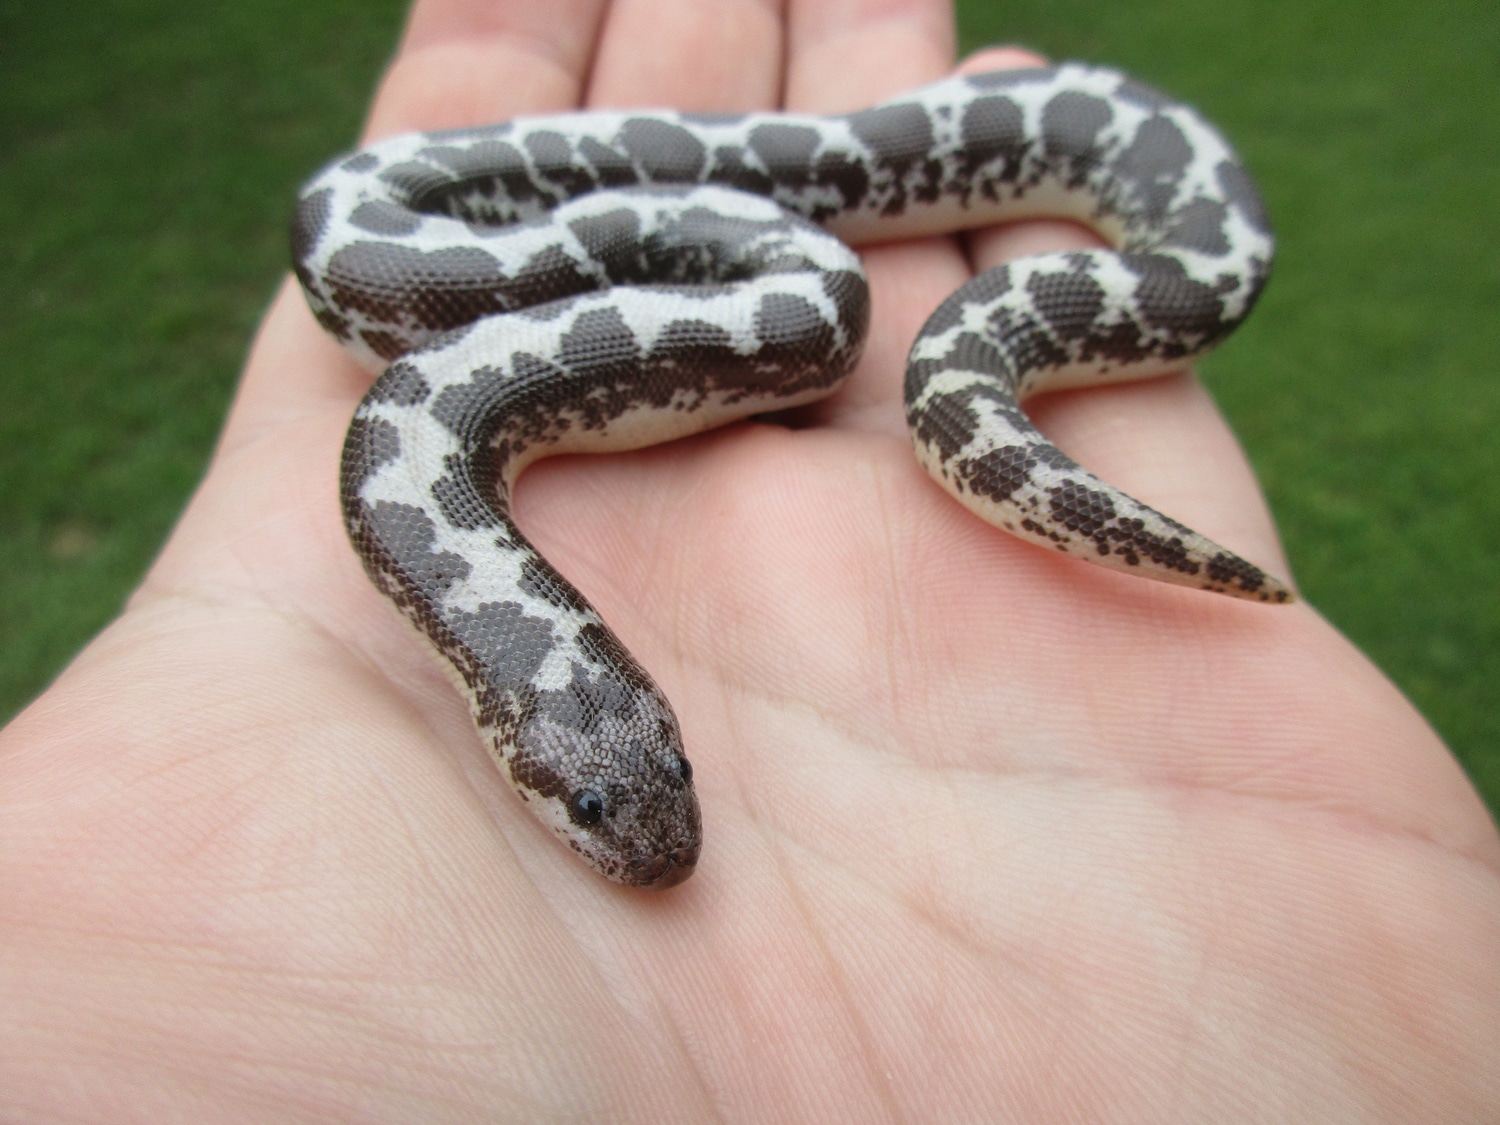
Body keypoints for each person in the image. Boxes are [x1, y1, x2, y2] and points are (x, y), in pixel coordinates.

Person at [2, 0, 1496, 1118]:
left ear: (593, 687)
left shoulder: (432, 428)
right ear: (498, 706)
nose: (642, 833)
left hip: (747, 257)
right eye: (601, 797)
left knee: (848, 299)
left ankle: (965, 378)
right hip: (654, 258)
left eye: (638, 778)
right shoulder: (411, 435)